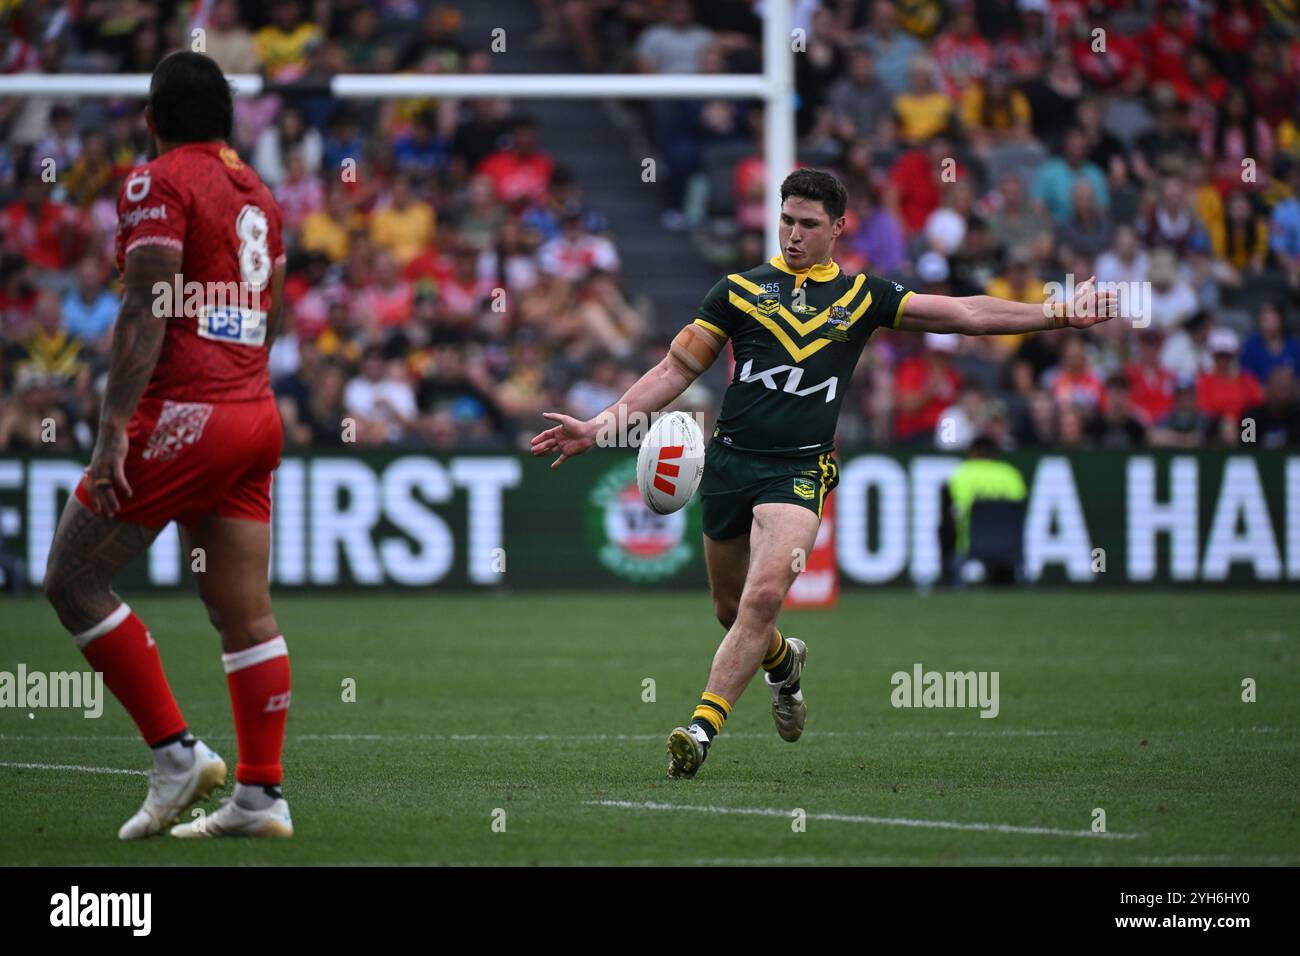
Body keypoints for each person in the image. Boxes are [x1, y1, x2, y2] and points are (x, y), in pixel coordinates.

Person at [530, 169, 1116, 778]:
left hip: (800, 471)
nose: (793, 234)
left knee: (762, 596)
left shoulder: (864, 296)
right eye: (786, 220)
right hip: (730, 464)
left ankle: (700, 731)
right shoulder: (737, 292)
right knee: (733, 613)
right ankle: (784, 663)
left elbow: (965, 311)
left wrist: (1056, 314)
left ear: (838, 228)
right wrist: (600, 428)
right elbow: (673, 371)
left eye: (808, 224)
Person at [41, 52, 294, 839]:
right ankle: (259, 795)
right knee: (244, 615)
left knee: (73, 581)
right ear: (228, 119)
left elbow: (149, 301)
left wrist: (113, 427)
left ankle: (176, 753)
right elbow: (274, 309)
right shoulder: (259, 193)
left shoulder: (159, 181)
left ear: (152, 119)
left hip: (188, 411)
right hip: (254, 410)